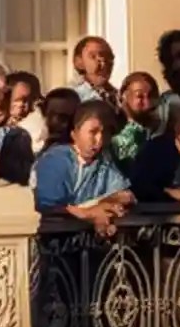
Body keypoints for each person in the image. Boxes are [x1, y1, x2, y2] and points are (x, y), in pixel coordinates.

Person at [32, 101, 134, 238]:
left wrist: (106, 204)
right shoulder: (55, 160)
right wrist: (88, 213)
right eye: (93, 132)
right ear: (74, 133)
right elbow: (50, 207)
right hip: (52, 238)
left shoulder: (104, 162)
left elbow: (123, 194)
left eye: (106, 133)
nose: (100, 140)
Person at [112, 72, 163, 169]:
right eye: (139, 96)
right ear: (123, 96)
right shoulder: (114, 133)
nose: (147, 103)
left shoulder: (162, 130)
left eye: (151, 96)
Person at [72, 36, 118, 107]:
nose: (103, 63)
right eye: (93, 56)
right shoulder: (72, 98)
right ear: (79, 62)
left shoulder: (121, 98)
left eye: (109, 57)